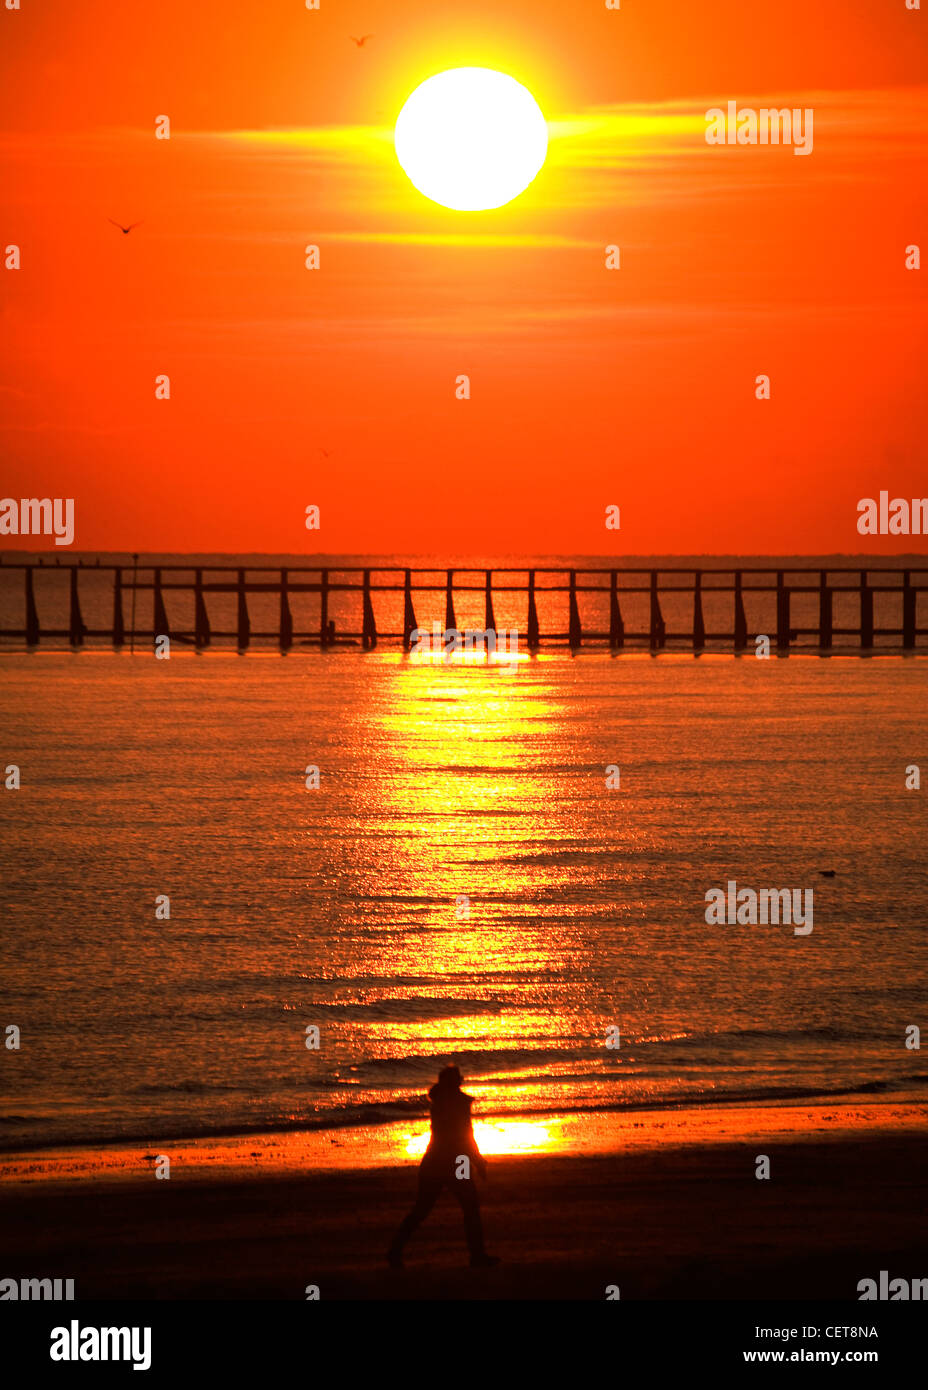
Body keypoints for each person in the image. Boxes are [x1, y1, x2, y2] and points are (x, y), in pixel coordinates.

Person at [388, 1065, 500, 1269]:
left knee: (425, 1208)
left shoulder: (439, 1102)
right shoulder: (457, 1103)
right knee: (468, 1206)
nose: (461, 1082)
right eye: (458, 1079)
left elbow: (463, 1135)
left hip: (437, 1159)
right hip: (456, 1161)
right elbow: (466, 1135)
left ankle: (395, 1250)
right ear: (453, 1082)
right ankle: (477, 1256)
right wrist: (478, 1161)